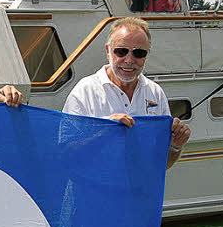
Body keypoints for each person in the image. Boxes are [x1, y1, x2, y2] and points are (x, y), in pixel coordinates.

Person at [62, 17, 190, 169]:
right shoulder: (85, 91)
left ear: (147, 55)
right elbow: (65, 153)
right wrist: (104, 130)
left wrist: (175, 146)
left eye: (139, 53)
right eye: (121, 51)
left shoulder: (155, 92)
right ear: (108, 51)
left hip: (139, 191)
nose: (129, 60)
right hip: (94, 191)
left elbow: (160, 165)